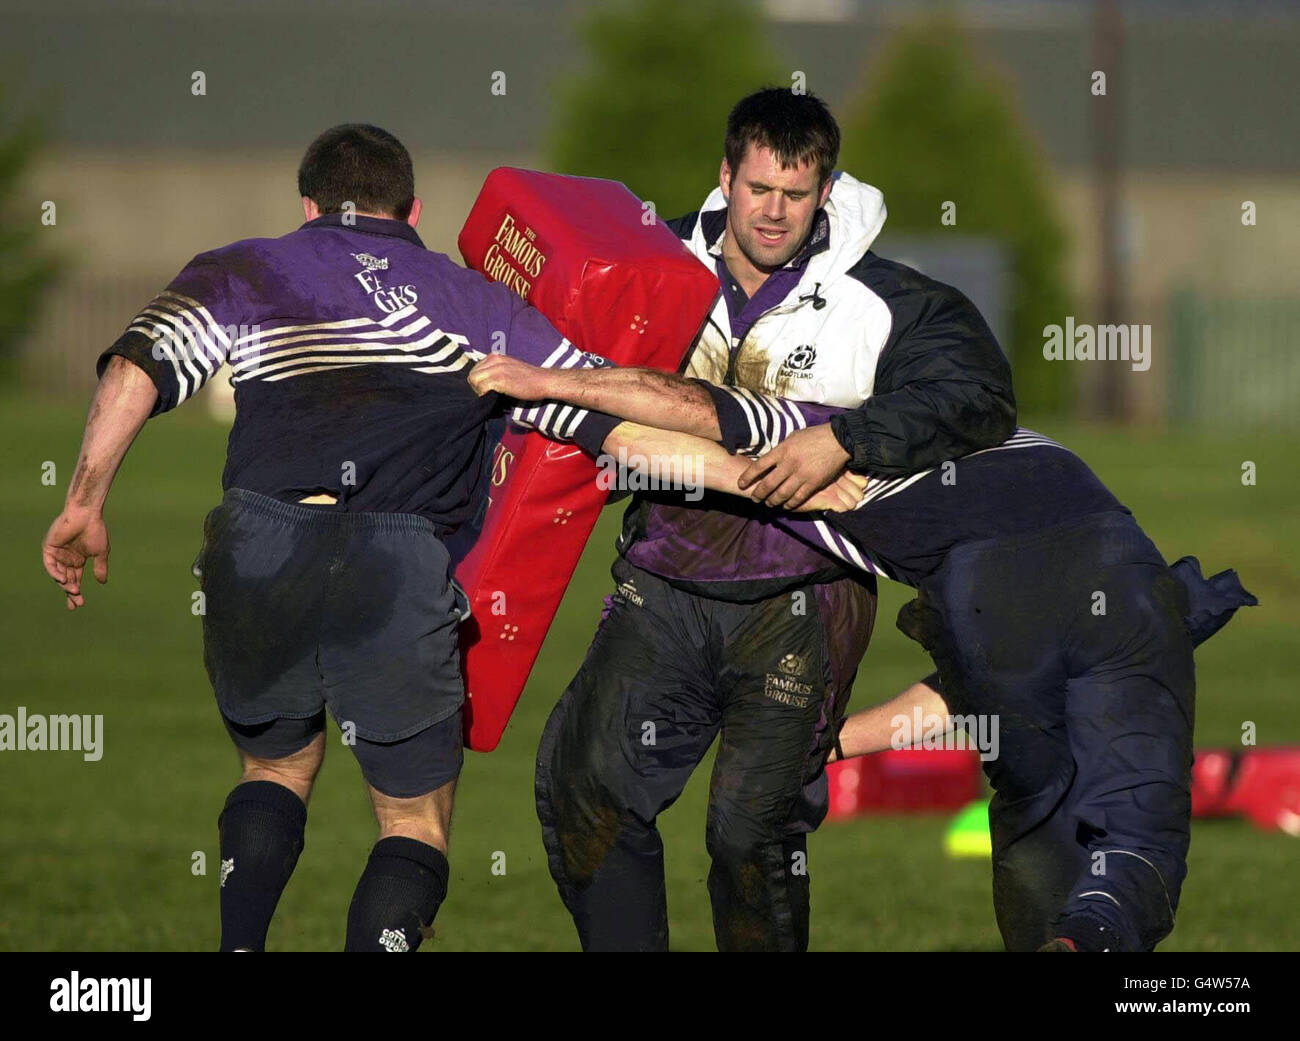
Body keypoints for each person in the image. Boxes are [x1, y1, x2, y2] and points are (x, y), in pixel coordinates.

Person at [38, 123, 632, 953]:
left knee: (276, 770)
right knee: (412, 818)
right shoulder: (474, 300)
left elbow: (138, 363)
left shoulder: (245, 267)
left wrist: (83, 501)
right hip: (394, 558)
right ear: (414, 208)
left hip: (258, 541)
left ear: (308, 204)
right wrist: (735, 454)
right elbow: (596, 408)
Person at [468, 356, 1257, 952]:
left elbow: (678, 421)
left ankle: (1062, 931)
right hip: (1139, 587)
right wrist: (836, 742)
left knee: (1036, 815)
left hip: (995, 597)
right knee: (1138, 846)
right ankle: (1088, 932)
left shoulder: (832, 447)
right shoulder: (1010, 434)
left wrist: (548, 389)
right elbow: (974, 684)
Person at [506, 86, 1017, 952]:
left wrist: (845, 439)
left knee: (751, 837)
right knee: (584, 793)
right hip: (663, 583)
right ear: (726, 177)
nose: (775, 212)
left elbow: (981, 396)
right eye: (758, 189)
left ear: (825, 191)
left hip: (804, 600)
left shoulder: (882, 295)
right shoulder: (650, 266)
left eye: (797, 193)